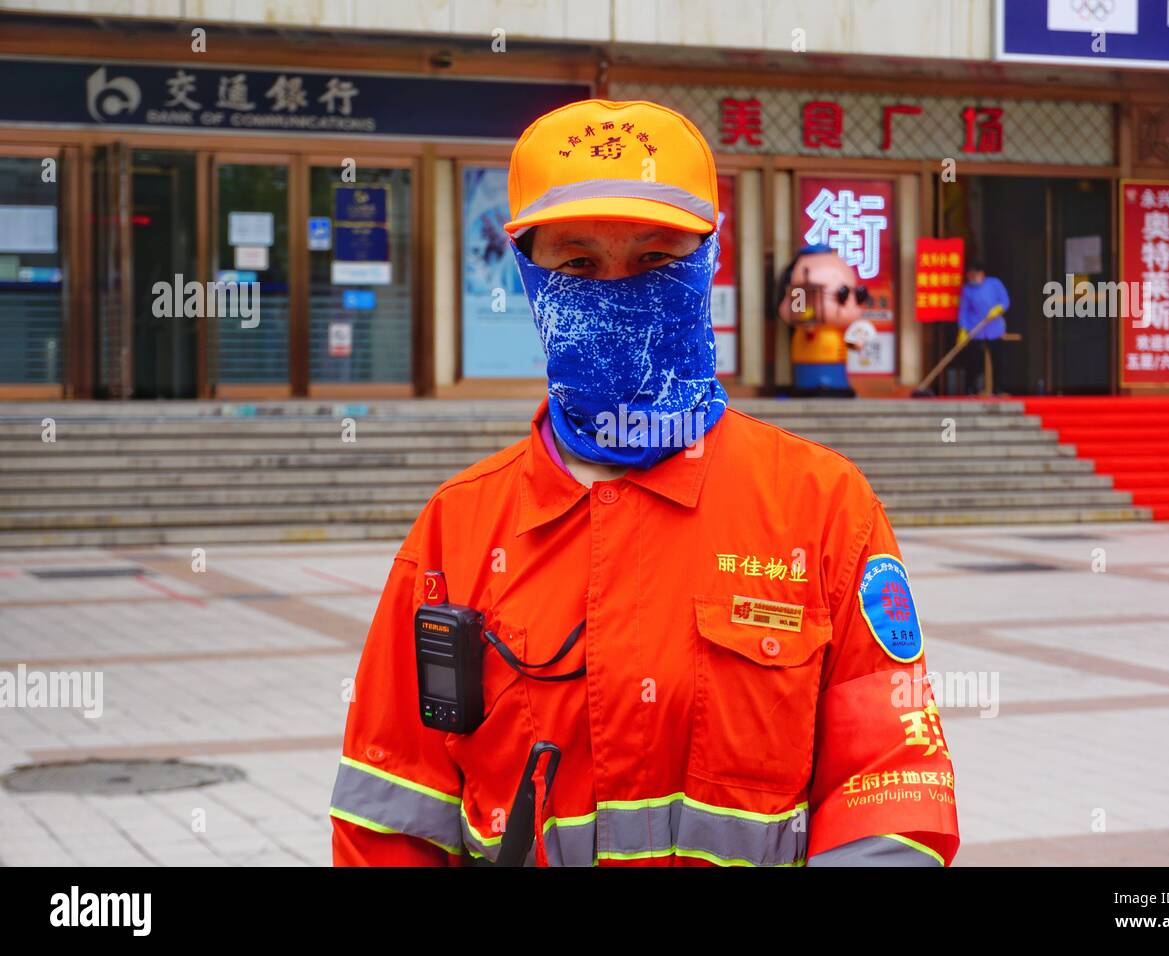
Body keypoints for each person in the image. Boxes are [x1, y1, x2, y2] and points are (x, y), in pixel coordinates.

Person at [328, 98, 959, 867]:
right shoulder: (459, 530)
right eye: (580, 262)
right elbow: (390, 818)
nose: (619, 288)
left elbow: (893, 787)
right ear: (529, 274)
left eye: (656, 259)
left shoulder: (822, 507)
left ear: (707, 263)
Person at [776, 244, 874, 397]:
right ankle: (809, 386)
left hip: (837, 366)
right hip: (806, 364)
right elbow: (789, 309)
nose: (850, 303)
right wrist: (806, 320)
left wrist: (856, 343)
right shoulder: (800, 301)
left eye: (858, 295)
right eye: (842, 295)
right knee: (808, 379)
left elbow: (849, 342)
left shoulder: (838, 331)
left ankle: (836, 385)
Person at [956, 259, 1010, 395]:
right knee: (973, 361)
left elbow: (1005, 300)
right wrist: (962, 329)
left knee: (998, 360)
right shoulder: (967, 290)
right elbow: (964, 310)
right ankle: (970, 388)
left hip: (994, 328)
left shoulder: (994, 283)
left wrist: (999, 308)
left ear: (982, 274)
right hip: (975, 330)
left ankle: (998, 389)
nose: (972, 278)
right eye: (970, 276)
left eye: (974, 275)